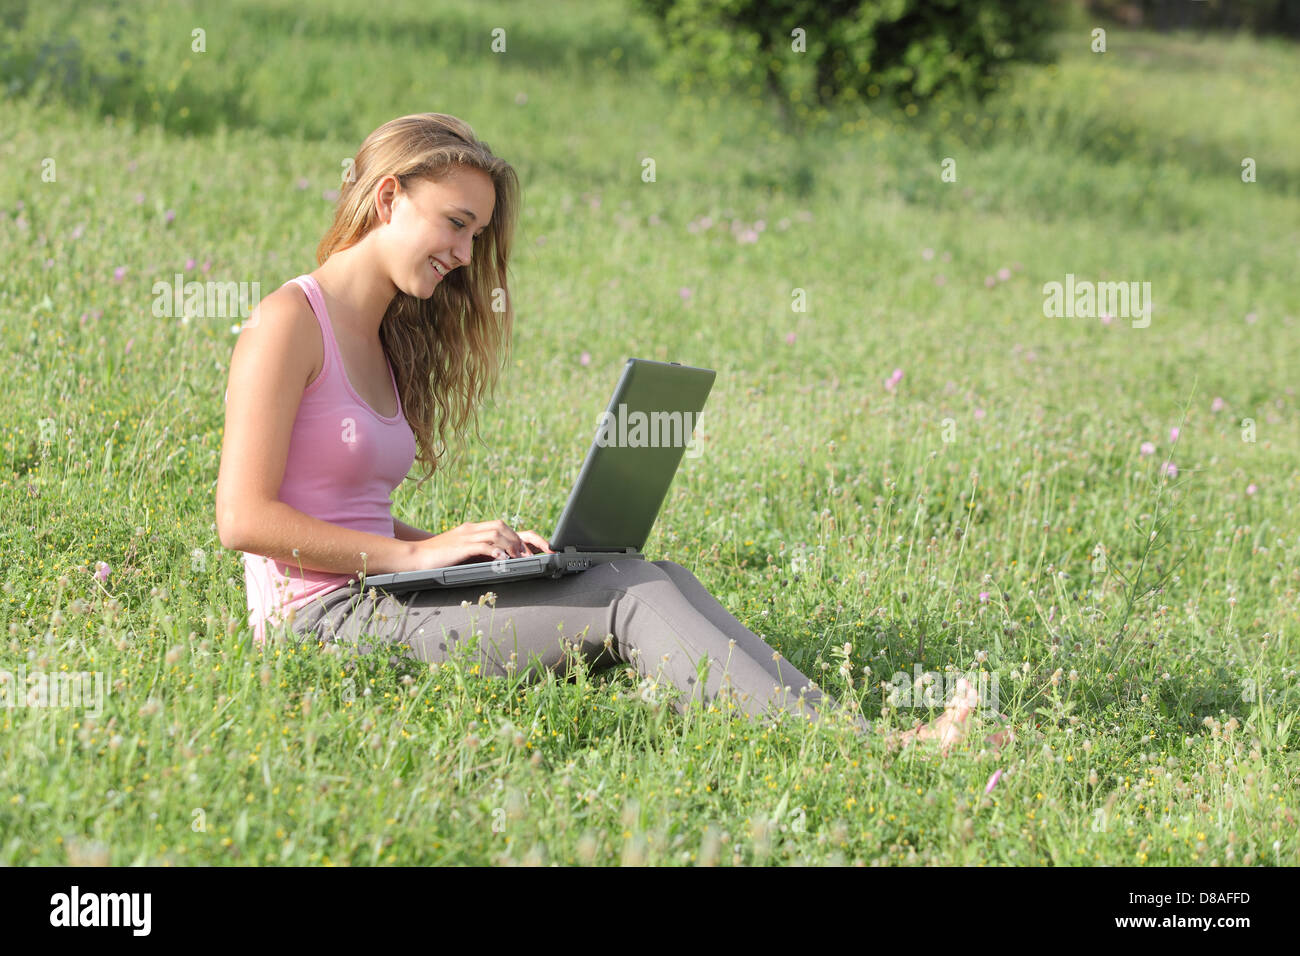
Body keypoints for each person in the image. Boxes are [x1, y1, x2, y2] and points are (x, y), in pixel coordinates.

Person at [215, 112, 1012, 754]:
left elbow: (339, 508)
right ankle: (872, 751)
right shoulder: (289, 322)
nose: (463, 255)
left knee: (641, 569)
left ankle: (830, 727)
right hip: (320, 631)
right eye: (455, 225)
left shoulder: (381, 338)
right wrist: (418, 556)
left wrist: (468, 550)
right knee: (625, 600)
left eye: (475, 237)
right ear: (388, 197)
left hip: (383, 593)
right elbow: (244, 520)